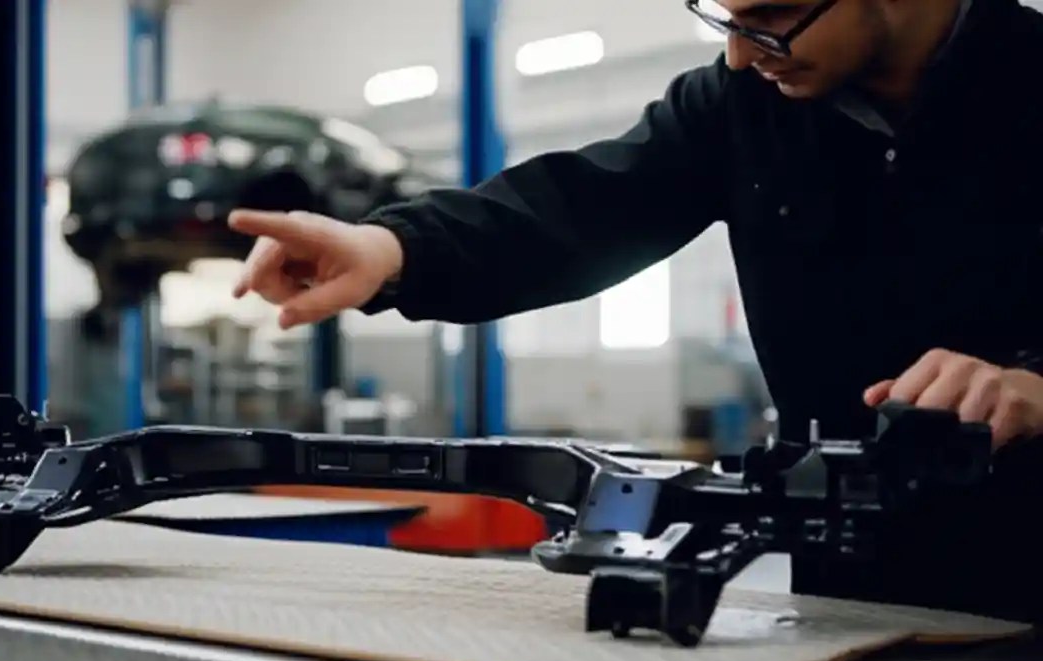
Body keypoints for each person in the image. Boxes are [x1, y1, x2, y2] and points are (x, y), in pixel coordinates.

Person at [228, 0, 1043, 623]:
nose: (738, 53)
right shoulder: (739, 106)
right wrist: (390, 253)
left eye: (770, 20)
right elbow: (576, 213)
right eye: (723, 18)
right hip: (856, 593)